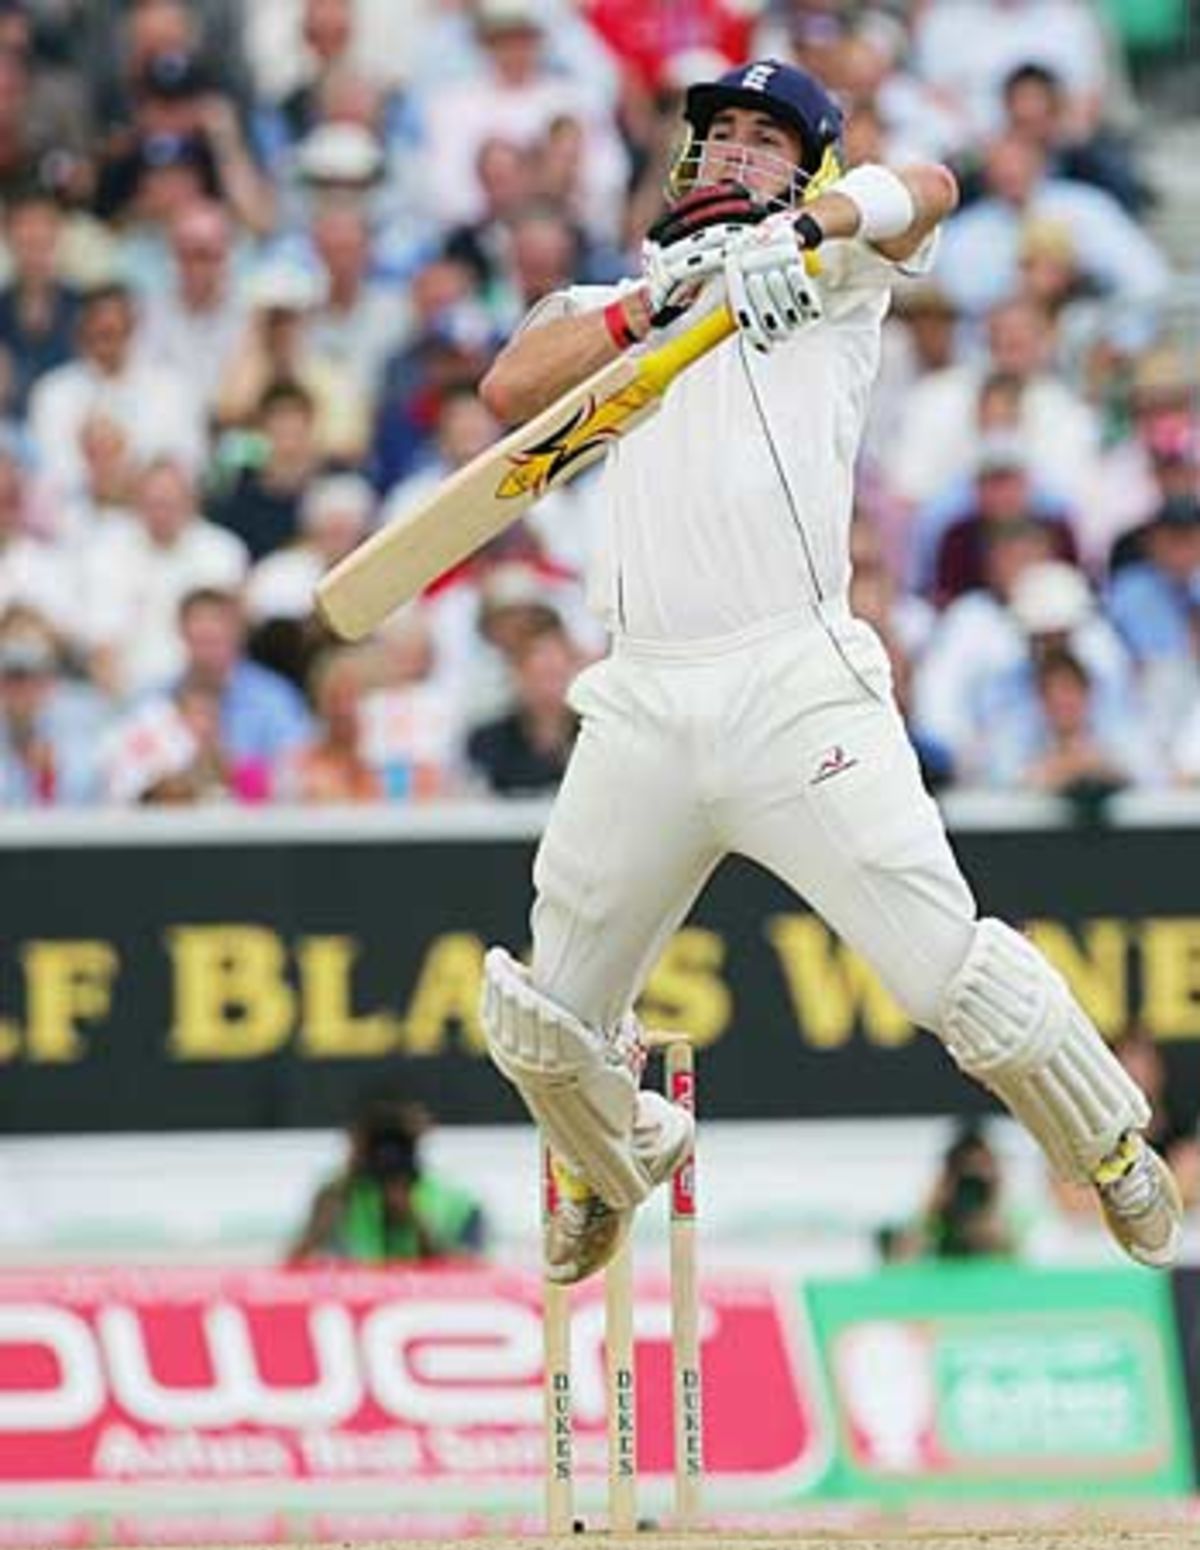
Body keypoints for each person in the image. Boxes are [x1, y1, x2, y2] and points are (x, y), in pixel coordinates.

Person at [475, 58, 1182, 1285]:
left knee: (948, 974)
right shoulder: (609, 303)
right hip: (639, 696)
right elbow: (509, 388)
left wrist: (802, 231)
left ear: (807, 165)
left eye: (769, 138)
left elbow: (933, 183)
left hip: (795, 683)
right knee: (542, 1022)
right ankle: (617, 1150)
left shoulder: (833, 274)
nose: (739, 151)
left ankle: (1110, 1140)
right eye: (724, 133)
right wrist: (659, 306)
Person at [288, 1094, 487, 1264]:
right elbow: (292, 1274)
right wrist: (316, 1232)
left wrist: (419, 1226)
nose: (387, 1155)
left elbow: (477, 1279)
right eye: (378, 1143)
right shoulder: (337, 1199)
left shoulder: (457, 1204)